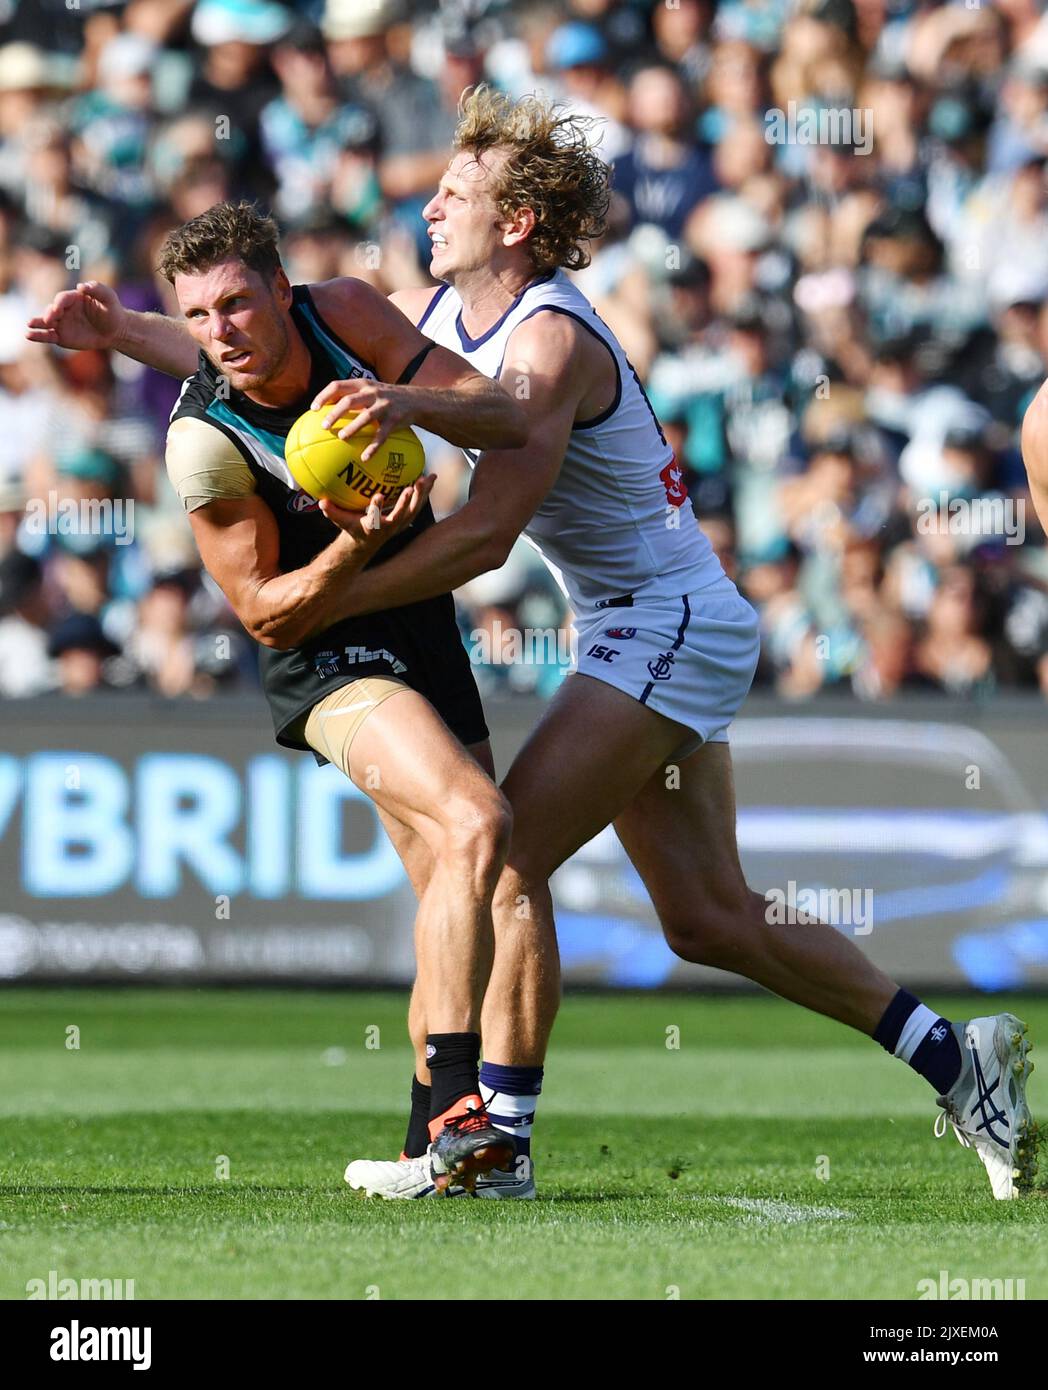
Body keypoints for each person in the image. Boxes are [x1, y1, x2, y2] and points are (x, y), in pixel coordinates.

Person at [34, 98, 1037, 1204]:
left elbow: (481, 534)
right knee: (706, 915)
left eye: (455, 196)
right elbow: (255, 341)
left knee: (498, 849)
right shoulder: (447, 317)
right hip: (641, 623)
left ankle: (489, 1139)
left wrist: (330, 596)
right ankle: (956, 1056)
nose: (429, 206)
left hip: (664, 622)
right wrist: (128, 329)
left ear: (514, 223)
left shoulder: (546, 338)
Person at [28, 197, 530, 1193]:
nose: (223, 334)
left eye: (237, 307)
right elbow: (266, 614)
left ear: (282, 295)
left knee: (456, 881)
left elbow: (500, 411)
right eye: (198, 317)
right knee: (477, 822)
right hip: (324, 652)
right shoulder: (203, 442)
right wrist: (357, 540)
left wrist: (405, 404)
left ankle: (426, 1150)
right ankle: (468, 1107)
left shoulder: (344, 314)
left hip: (418, 618)